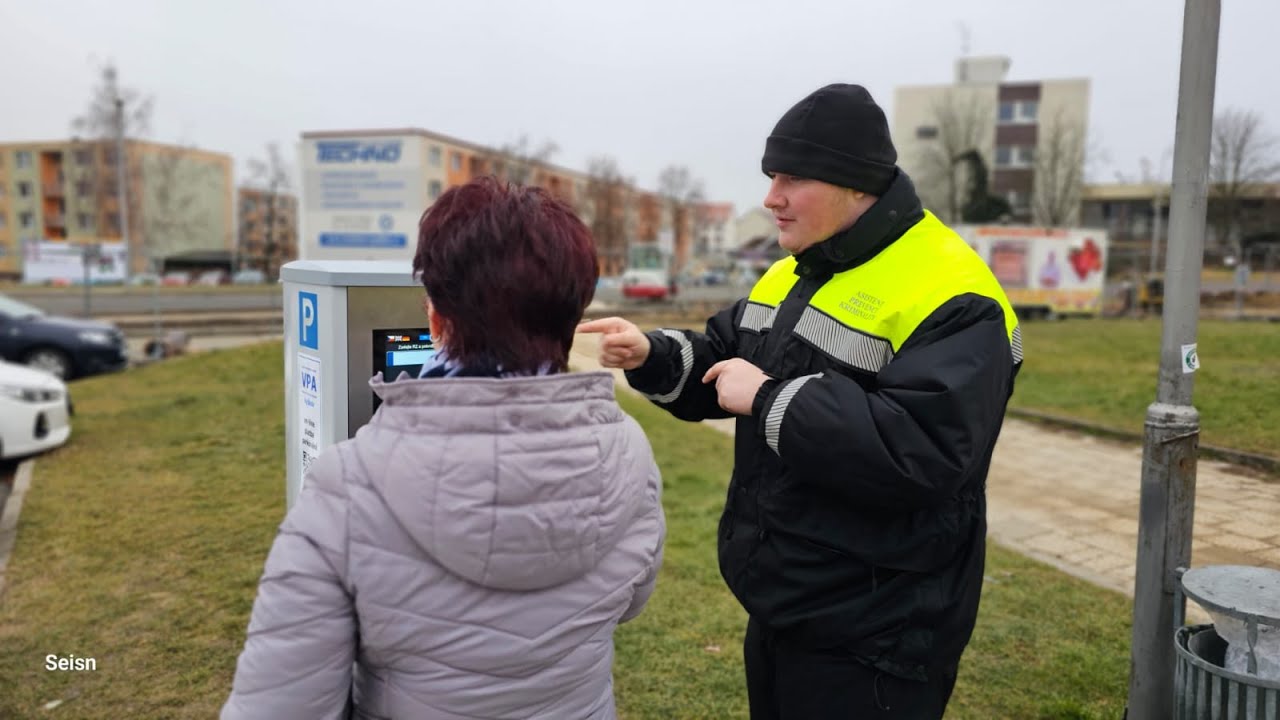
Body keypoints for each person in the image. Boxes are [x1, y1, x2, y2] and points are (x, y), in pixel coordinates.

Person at [580, 84, 1022, 719]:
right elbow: (724, 357)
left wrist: (766, 398)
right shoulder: (796, 267)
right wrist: (652, 354)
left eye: (791, 177)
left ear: (853, 183)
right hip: (789, 607)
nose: (771, 198)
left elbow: (922, 451)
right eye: (770, 175)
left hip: (879, 633)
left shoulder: (954, 294)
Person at [224, 177, 665, 720]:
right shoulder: (629, 451)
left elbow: (281, 702)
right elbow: (631, 602)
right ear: (572, 320)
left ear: (436, 319)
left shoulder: (347, 485)